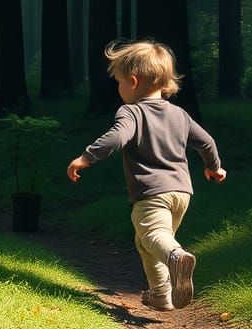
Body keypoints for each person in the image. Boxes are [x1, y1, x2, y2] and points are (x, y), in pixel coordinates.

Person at [66, 39, 227, 311]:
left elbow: (116, 137)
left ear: (133, 80)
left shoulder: (132, 112)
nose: (118, 89)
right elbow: (206, 141)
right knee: (148, 242)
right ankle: (161, 295)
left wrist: (86, 157)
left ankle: (176, 257)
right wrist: (214, 166)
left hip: (151, 193)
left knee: (154, 237)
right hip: (182, 193)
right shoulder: (179, 114)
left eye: (119, 82)